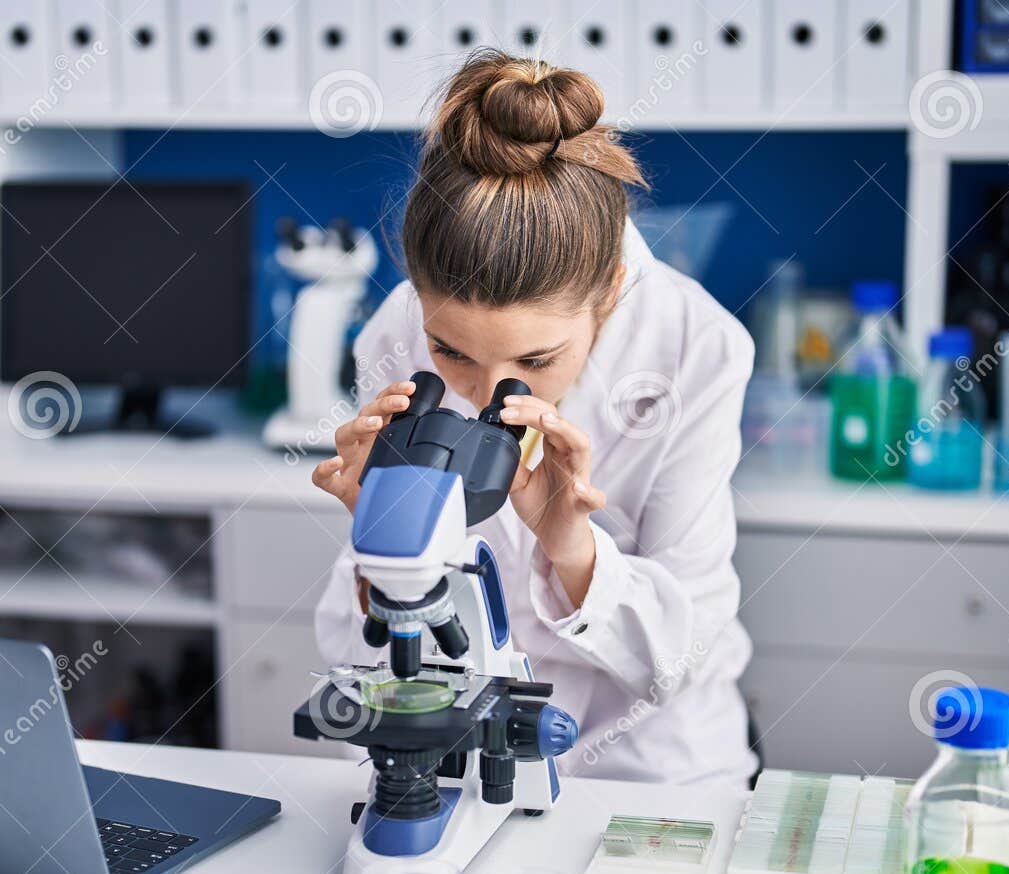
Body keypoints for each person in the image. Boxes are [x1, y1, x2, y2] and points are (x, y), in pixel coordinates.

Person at [312, 50, 756, 786]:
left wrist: (570, 547)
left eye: (538, 359)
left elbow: (679, 657)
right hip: (461, 753)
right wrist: (378, 543)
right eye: (450, 352)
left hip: (647, 768)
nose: (495, 395)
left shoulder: (695, 349)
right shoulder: (393, 333)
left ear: (609, 293)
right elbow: (344, 648)